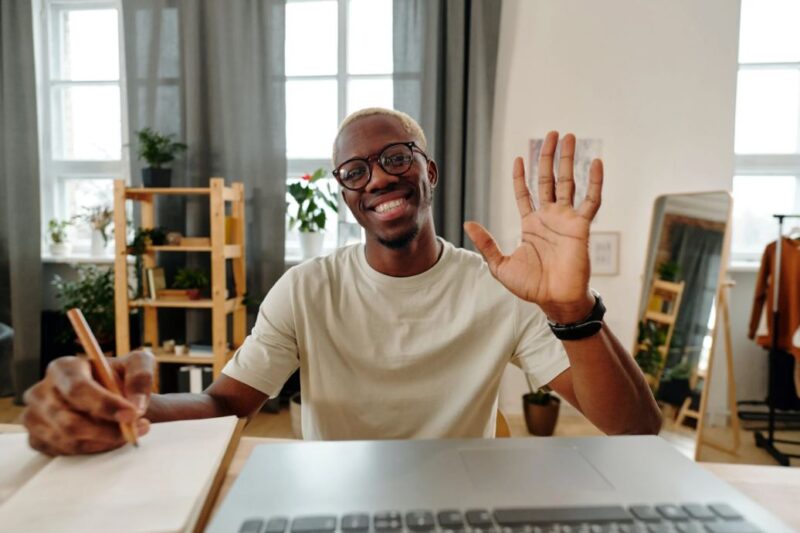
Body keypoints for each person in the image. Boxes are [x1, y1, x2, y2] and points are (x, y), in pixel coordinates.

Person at [22, 108, 661, 455]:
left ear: (428, 171)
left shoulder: (501, 287)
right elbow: (225, 405)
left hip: (459, 498)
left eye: (394, 158)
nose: (377, 178)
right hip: (333, 502)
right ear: (345, 195)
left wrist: (572, 308)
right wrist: (134, 408)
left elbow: (635, 431)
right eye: (354, 171)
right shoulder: (306, 289)